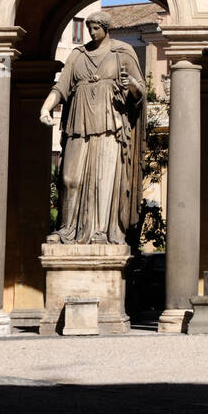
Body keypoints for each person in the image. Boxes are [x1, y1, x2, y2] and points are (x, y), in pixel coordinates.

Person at [40, 12, 146, 244]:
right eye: (89, 28)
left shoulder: (122, 52)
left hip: (110, 125)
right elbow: (61, 87)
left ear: (106, 28)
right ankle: (68, 229)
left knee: (103, 180)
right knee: (70, 179)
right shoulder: (78, 55)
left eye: (95, 28)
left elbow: (140, 93)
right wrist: (45, 108)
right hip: (78, 123)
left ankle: (101, 232)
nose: (91, 32)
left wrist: (132, 86)